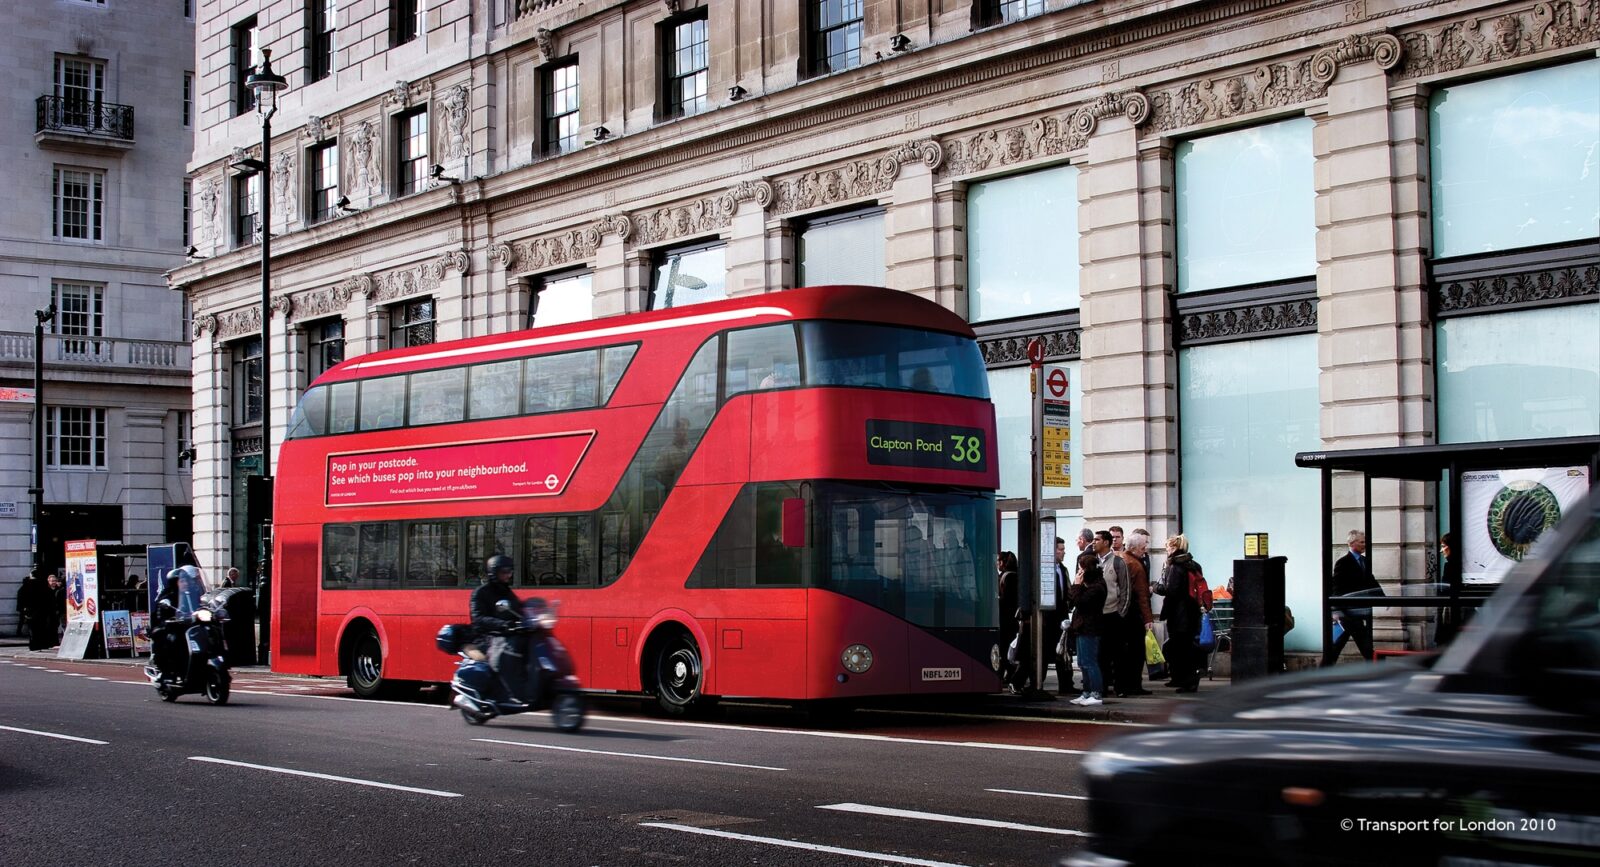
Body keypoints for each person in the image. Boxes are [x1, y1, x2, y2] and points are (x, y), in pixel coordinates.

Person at [470, 554, 530, 703]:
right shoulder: (480, 593)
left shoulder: (506, 592)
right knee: (507, 652)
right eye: (504, 572)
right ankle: (509, 693)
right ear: (494, 572)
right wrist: (501, 624)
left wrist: (531, 618)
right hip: (486, 635)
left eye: (509, 572)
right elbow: (478, 617)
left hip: (503, 634)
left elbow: (517, 609)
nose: (508, 575)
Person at [1154, 533, 1205, 692]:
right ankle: (1182, 678)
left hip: (1178, 615)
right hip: (1192, 613)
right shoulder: (1194, 564)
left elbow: (1171, 591)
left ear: (1174, 547)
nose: (1166, 550)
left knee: (1180, 649)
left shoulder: (1175, 566)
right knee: (1186, 648)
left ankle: (1186, 682)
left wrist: (1155, 587)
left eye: (1167, 547)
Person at [1323, 530, 1380, 666]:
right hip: (1346, 613)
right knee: (1349, 646)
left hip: (1357, 612)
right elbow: (1336, 587)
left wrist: (1383, 598)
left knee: (1356, 645)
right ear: (1351, 543)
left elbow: (1371, 581)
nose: (1364, 545)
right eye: (1361, 542)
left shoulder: (1364, 561)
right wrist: (1336, 611)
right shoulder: (1343, 563)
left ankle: (1376, 668)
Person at [1114, 531, 1155, 697]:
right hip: (1133, 614)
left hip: (1118, 612)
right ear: (1135, 548)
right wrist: (1148, 618)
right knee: (1136, 652)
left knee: (1121, 652)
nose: (1144, 551)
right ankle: (1133, 685)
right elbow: (1142, 594)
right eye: (1143, 548)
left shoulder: (1120, 559)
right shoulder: (1136, 565)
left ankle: (1121, 685)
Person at [1066, 551, 1107, 706]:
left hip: (1090, 628)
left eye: (1080, 570)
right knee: (1082, 662)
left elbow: (1080, 602)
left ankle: (1096, 693)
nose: (1078, 573)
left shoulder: (1097, 587)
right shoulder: (1089, 585)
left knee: (1090, 662)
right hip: (1082, 627)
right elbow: (1073, 601)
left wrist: (1076, 585)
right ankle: (1086, 692)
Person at [1092, 530, 1132, 694]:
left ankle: (1120, 687)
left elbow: (1126, 589)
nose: (1093, 542)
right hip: (1096, 616)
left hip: (1113, 614)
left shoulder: (1118, 562)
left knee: (1118, 654)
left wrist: (1121, 612)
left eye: (1097, 540)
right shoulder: (1091, 562)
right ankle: (1101, 686)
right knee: (1100, 655)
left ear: (1106, 543)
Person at [996, 551, 1024, 692]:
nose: (997, 564)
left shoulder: (1007, 577)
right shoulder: (1015, 576)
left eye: (999, 561)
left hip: (1005, 618)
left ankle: (1005, 674)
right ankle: (1007, 674)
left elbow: (1005, 599)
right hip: (1011, 618)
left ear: (1003, 562)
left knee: (1005, 648)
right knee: (1008, 647)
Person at [151, 571, 186, 680]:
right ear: (175, 582)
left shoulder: (191, 594)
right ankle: (166, 671)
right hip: (171, 626)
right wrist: (169, 619)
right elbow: (159, 614)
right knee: (172, 640)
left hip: (187, 625)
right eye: (182, 581)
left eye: (186, 581)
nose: (185, 583)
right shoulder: (167, 596)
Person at [19, 572, 55, 650]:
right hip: (41, 610)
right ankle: (41, 644)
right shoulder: (43, 586)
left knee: (32, 629)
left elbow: (21, 598)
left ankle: (33, 645)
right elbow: (49, 598)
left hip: (29, 610)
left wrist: (23, 609)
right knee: (41, 628)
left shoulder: (26, 586)